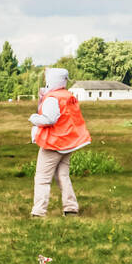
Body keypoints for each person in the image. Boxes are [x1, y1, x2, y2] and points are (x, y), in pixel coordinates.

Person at [28, 67, 92, 217]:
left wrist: (33, 118)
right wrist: (43, 97)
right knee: (63, 175)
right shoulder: (68, 95)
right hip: (68, 141)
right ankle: (70, 208)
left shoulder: (53, 98)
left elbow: (49, 119)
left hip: (54, 143)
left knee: (42, 178)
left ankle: (38, 211)